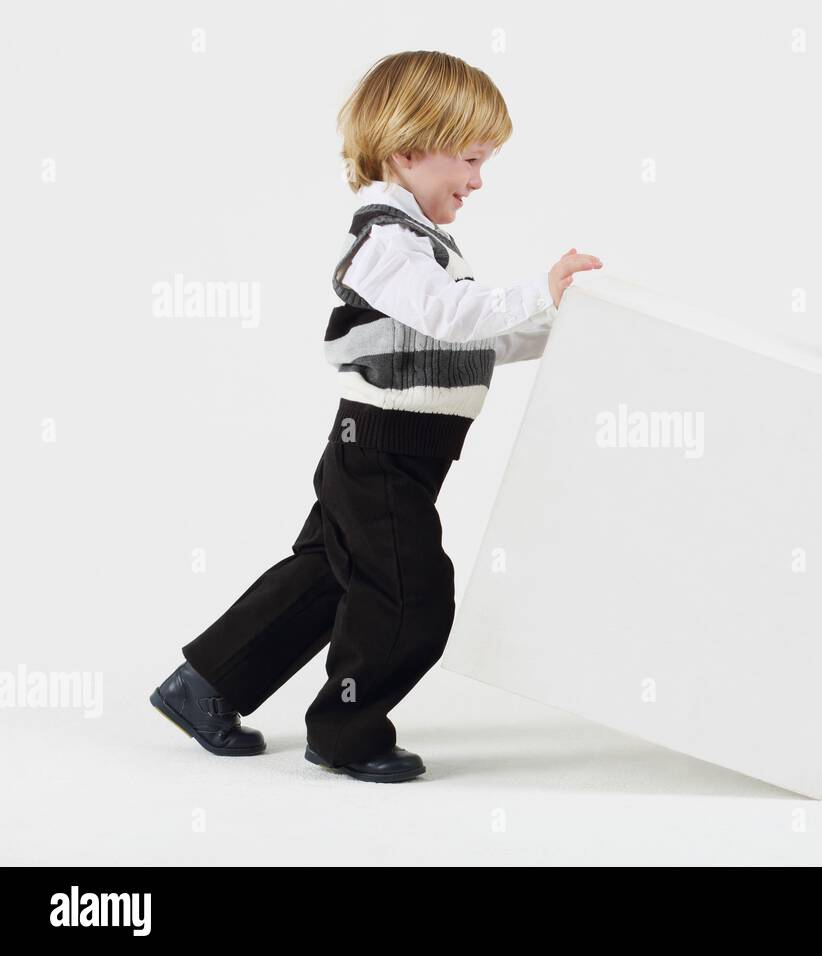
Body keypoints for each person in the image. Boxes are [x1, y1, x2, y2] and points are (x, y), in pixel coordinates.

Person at [150, 50, 602, 783]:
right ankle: (347, 731)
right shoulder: (386, 244)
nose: (479, 180)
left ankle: (203, 686)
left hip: (398, 451)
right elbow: (453, 315)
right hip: (380, 453)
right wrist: (539, 291)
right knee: (408, 594)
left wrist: (565, 324)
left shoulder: (422, 246)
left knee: (326, 578)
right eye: (471, 159)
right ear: (408, 151)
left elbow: (472, 336)